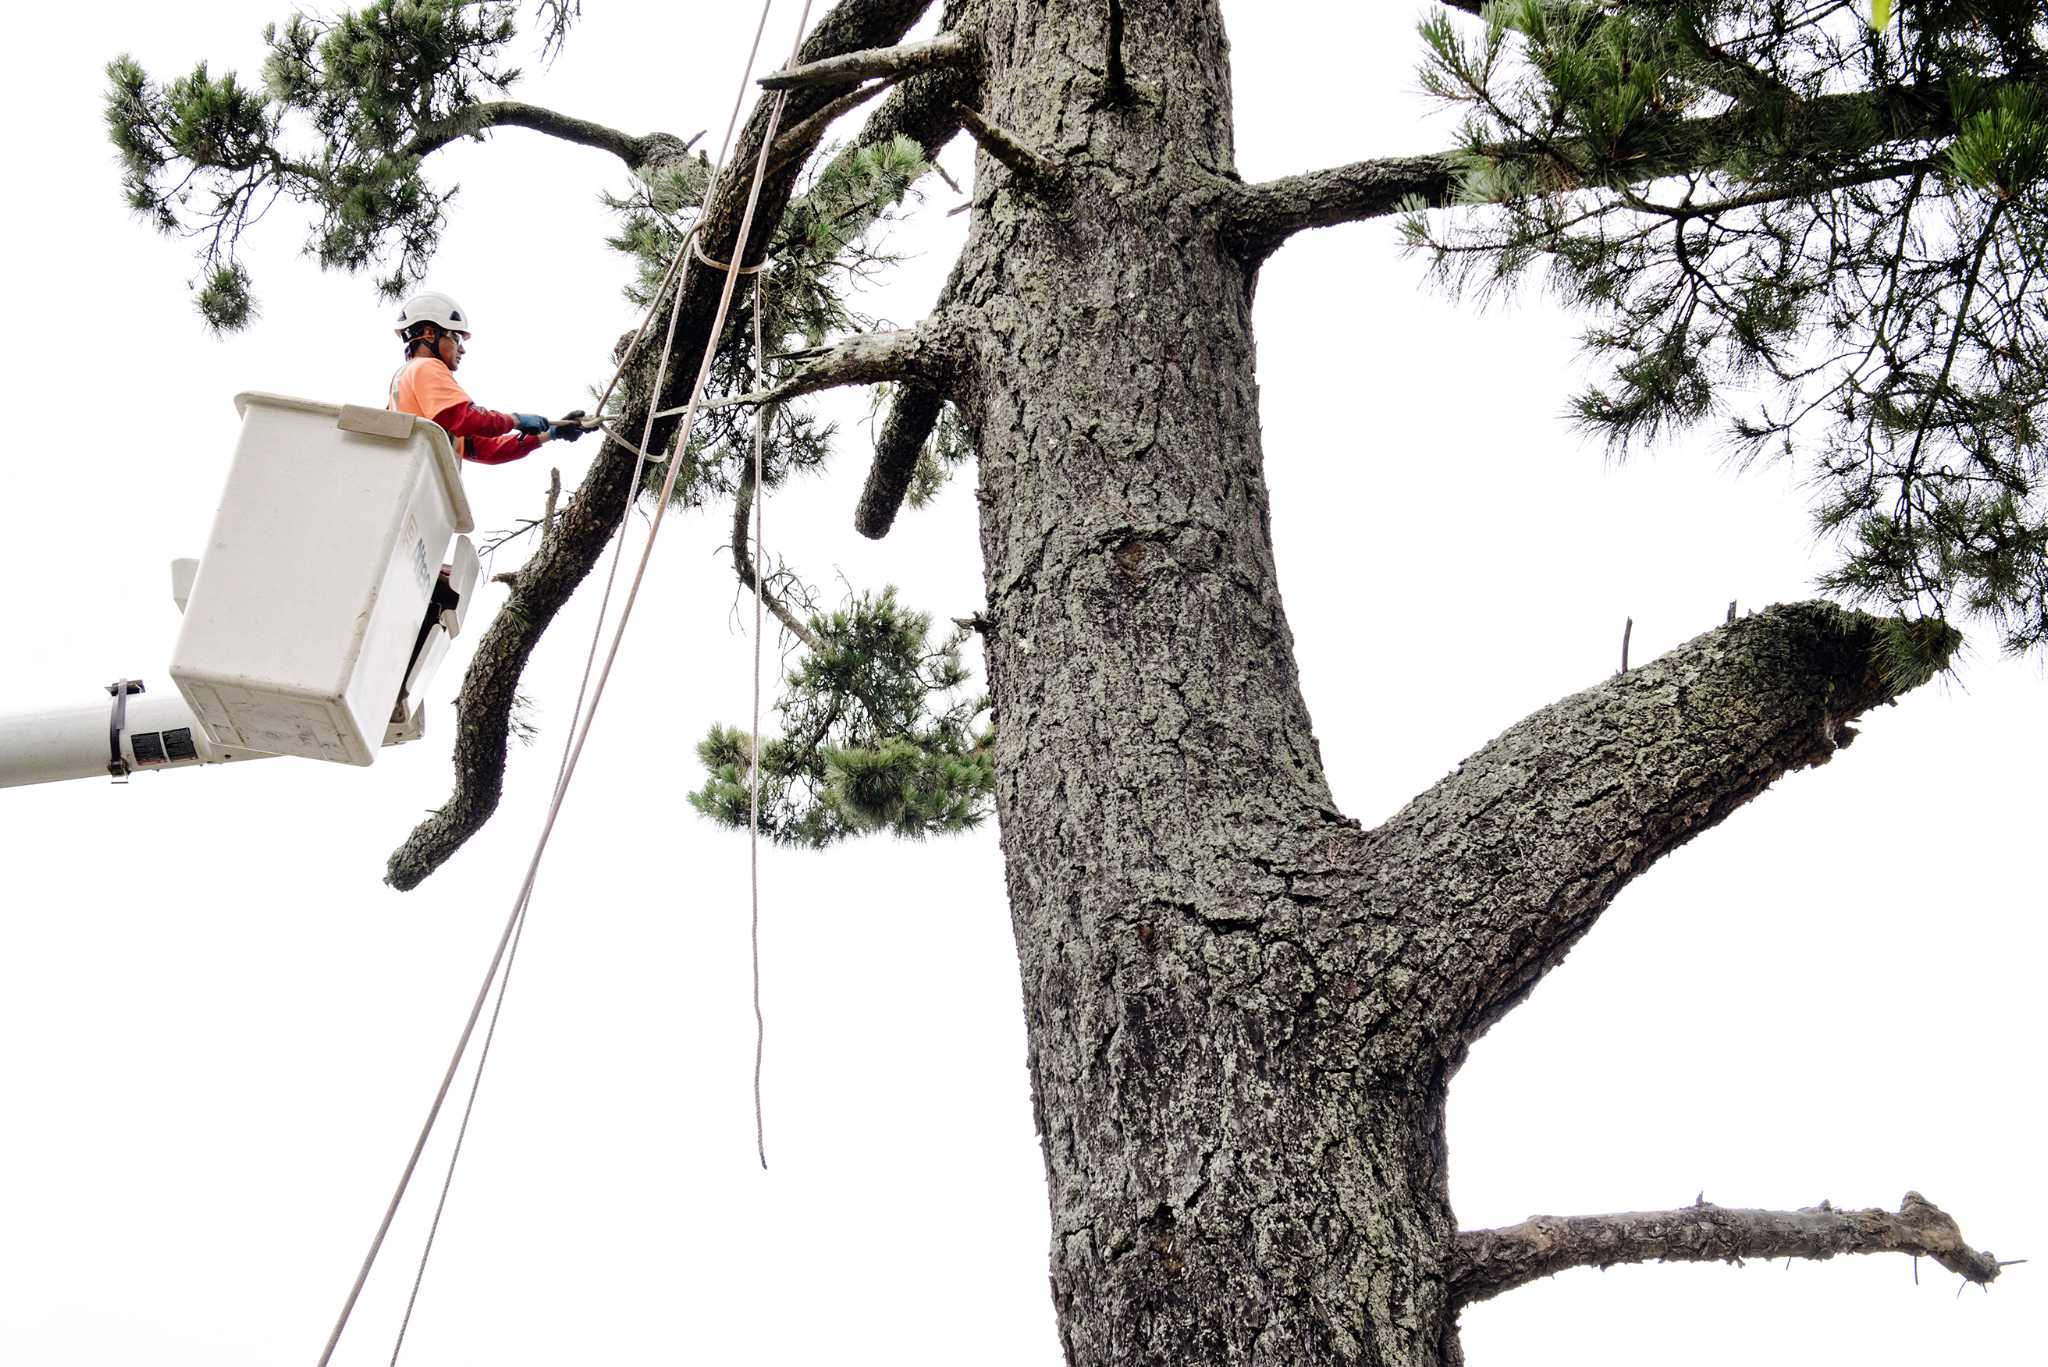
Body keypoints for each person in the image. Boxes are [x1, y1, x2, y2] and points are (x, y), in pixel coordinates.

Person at [386, 291, 585, 463]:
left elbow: (485, 449)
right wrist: (514, 420)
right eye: (456, 338)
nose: (462, 349)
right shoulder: (427, 367)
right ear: (430, 334)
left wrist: (551, 433)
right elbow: (467, 417)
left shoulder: (403, 386)